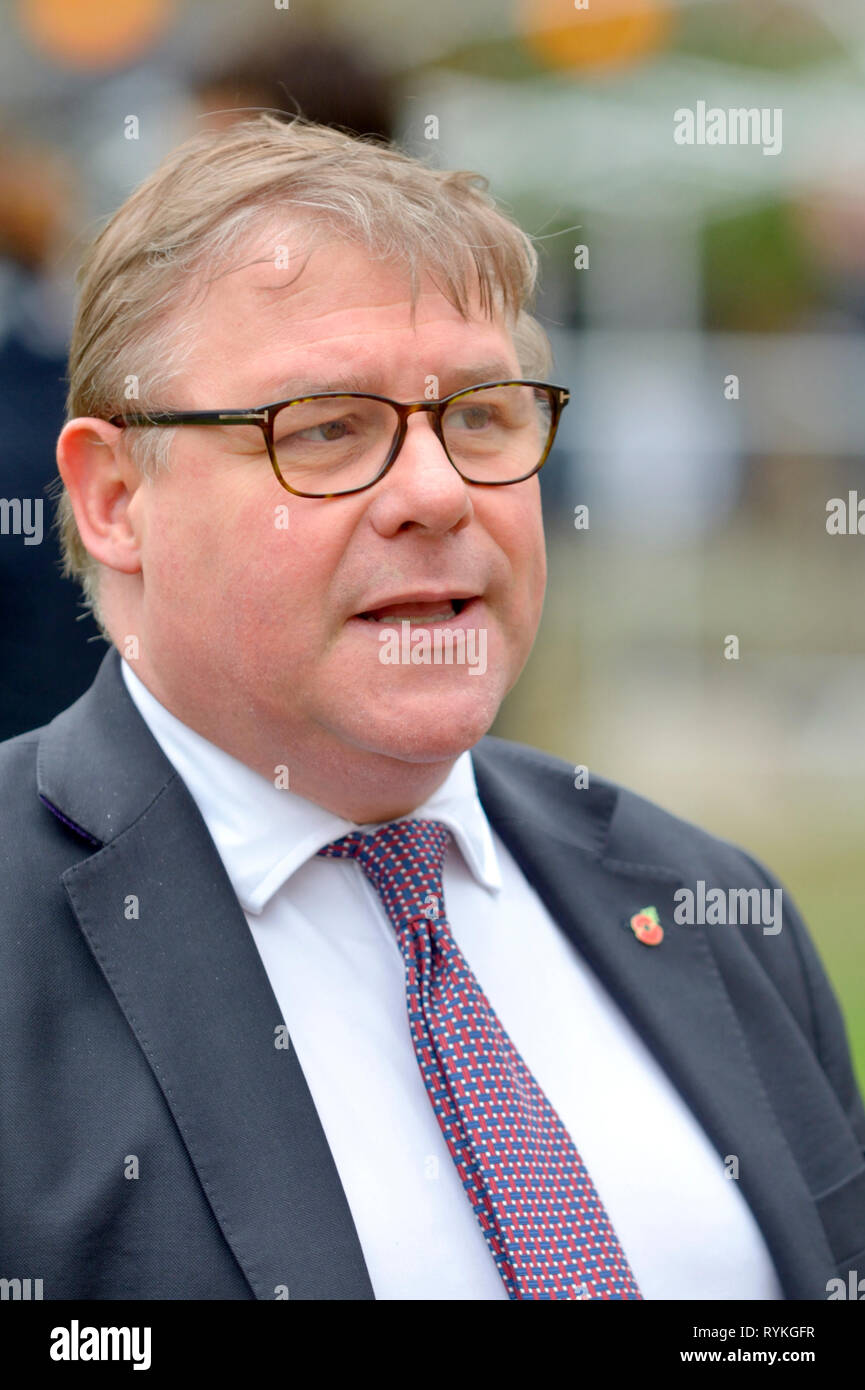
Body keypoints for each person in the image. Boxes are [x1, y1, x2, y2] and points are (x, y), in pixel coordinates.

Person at [1, 116, 862, 1302]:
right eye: (325, 429)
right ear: (112, 497)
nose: (436, 491)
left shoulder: (714, 909)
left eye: (480, 416)